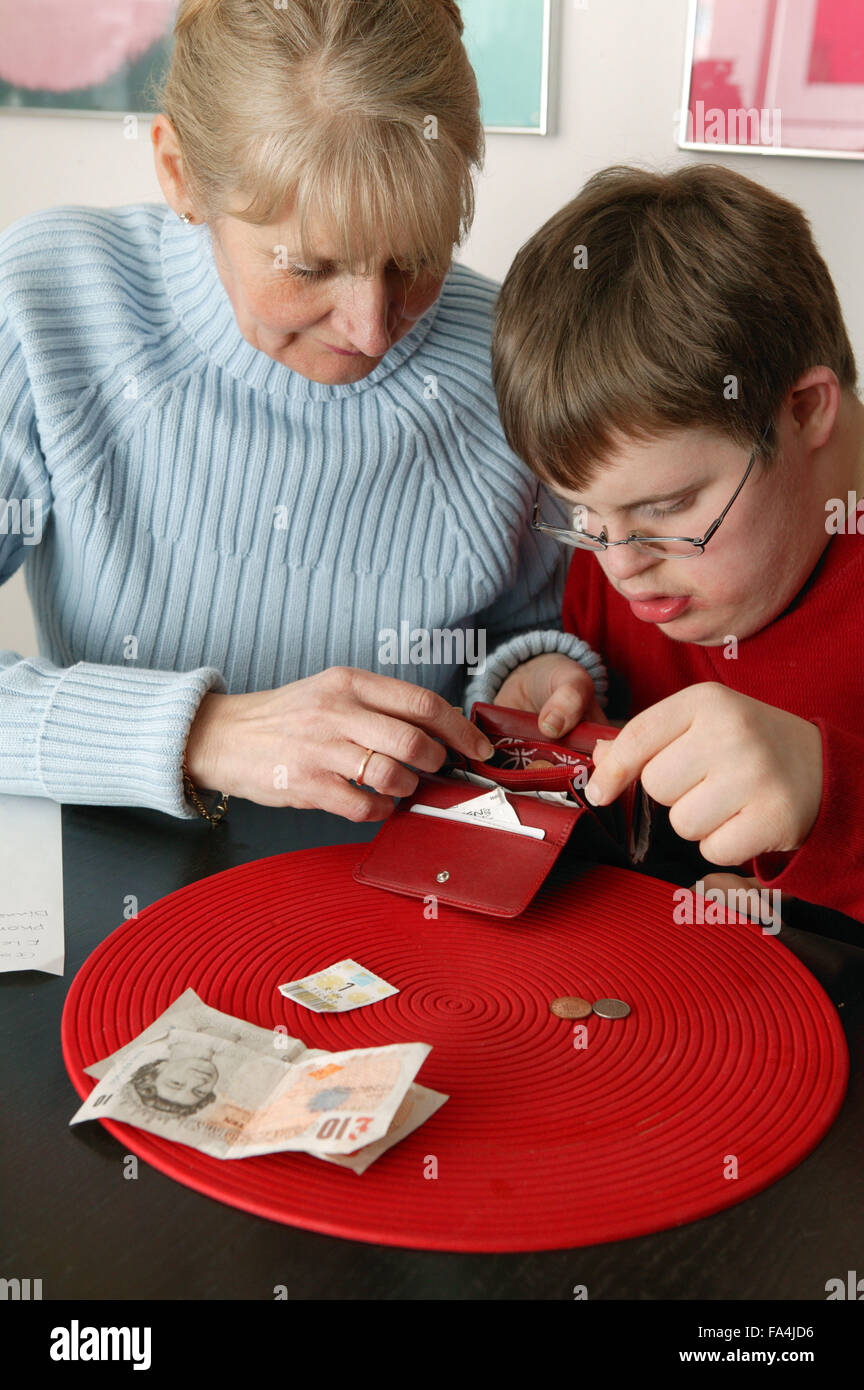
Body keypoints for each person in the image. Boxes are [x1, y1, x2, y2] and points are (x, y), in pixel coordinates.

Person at [0, 0, 605, 826]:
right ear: (179, 173)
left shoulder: (509, 357)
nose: (370, 329)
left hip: (392, 907)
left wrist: (521, 680)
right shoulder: (52, 300)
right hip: (116, 887)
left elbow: (515, 643)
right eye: (311, 266)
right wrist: (203, 733)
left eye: (416, 258)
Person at [475, 163, 864, 928]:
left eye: (669, 506)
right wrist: (557, 685)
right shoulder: (618, 546)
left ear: (806, 411)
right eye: (581, 508)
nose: (620, 565)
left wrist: (833, 795)